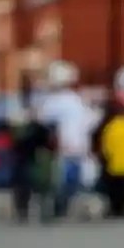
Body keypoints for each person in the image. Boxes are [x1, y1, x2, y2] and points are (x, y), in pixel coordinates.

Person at [38, 61, 98, 220]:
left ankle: (61, 208)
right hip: (80, 147)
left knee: (60, 181)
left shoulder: (53, 101)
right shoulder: (77, 100)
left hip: (63, 149)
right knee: (76, 182)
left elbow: (41, 118)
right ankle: (72, 208)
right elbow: (92, 120)